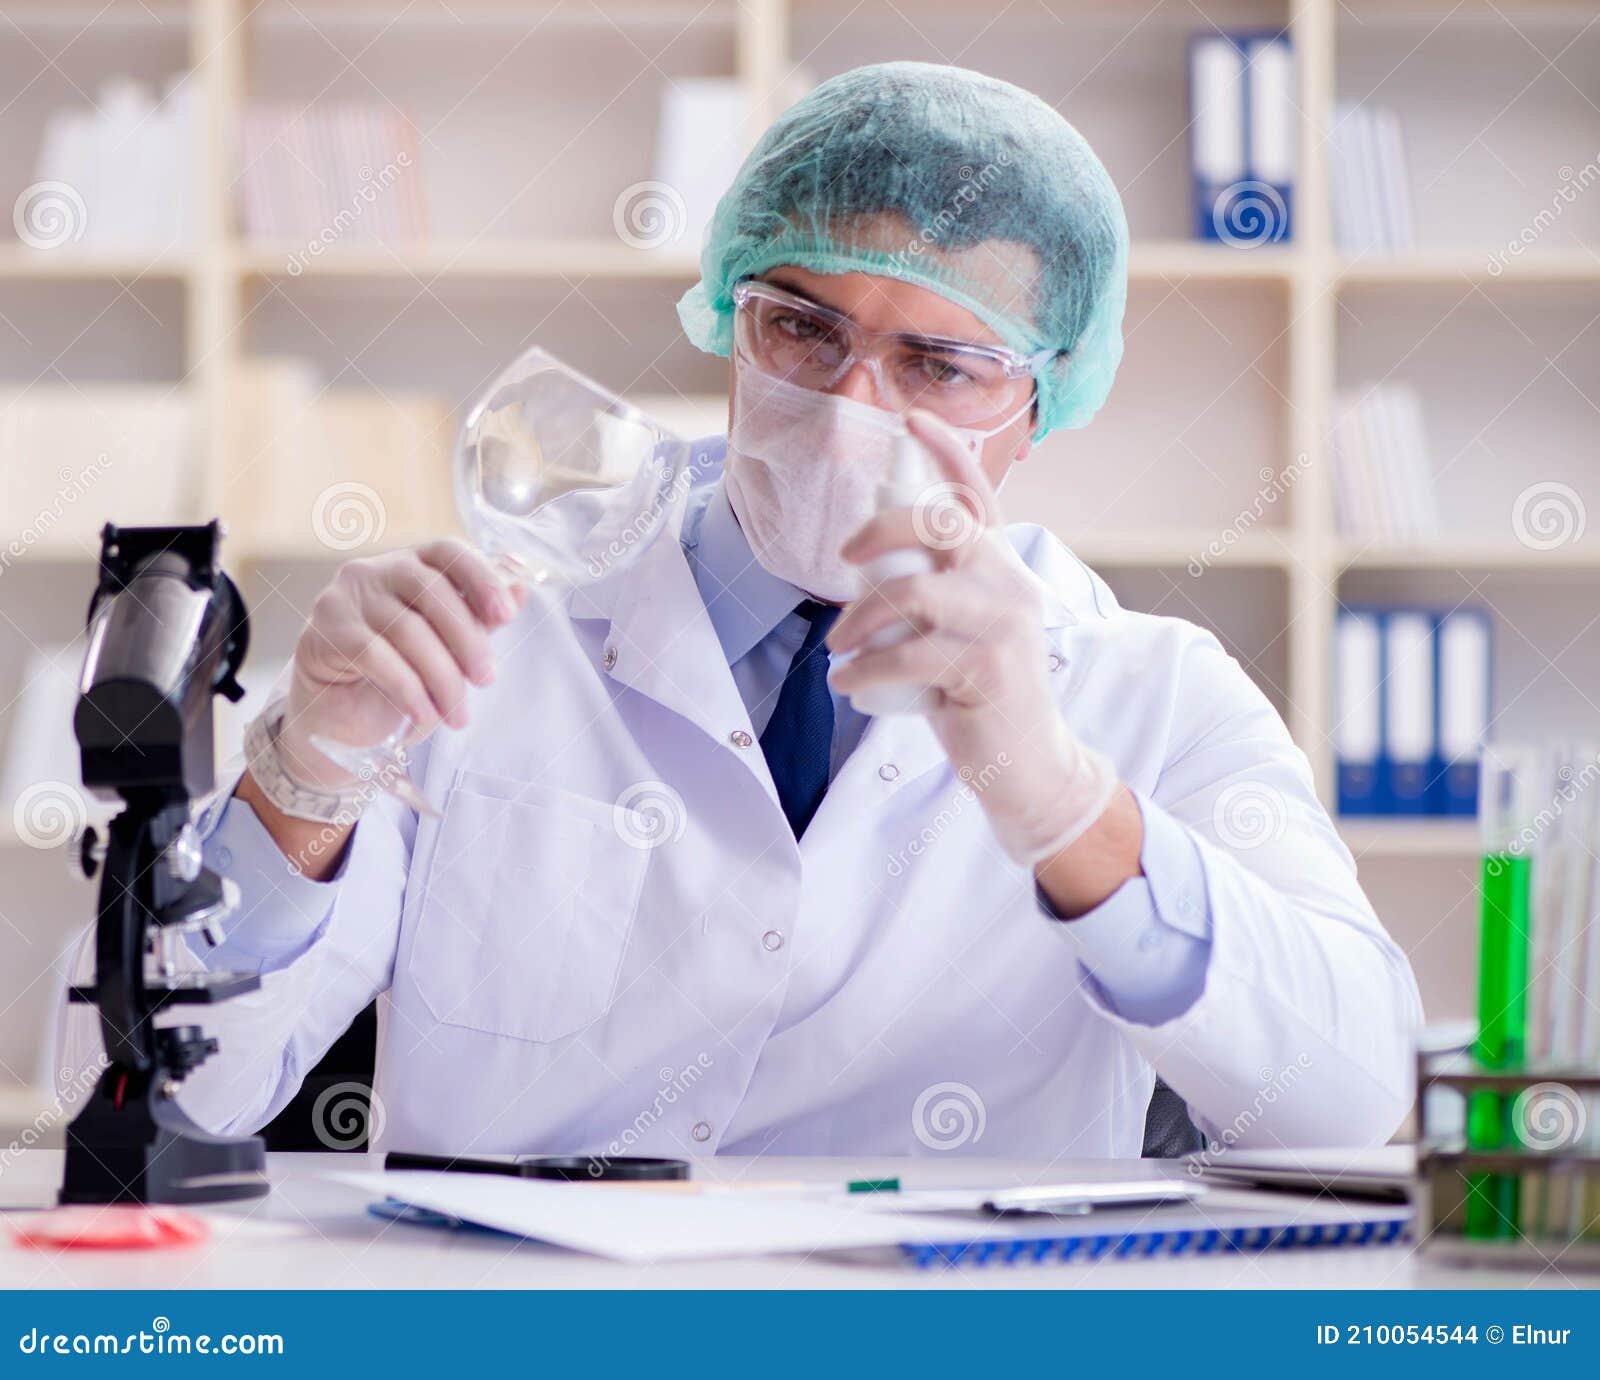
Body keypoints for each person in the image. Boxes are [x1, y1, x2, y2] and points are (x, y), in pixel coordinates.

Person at [61, 62, 1420, 1160]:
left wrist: (1066, 803)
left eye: (940, 362)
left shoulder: (1154, 690)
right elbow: (168, 1098)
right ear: (728, 317)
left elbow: (1349, 1098)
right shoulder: (487, 628)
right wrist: (310, 773)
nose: (852, 411)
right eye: (803, 328)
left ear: (1038, 405)